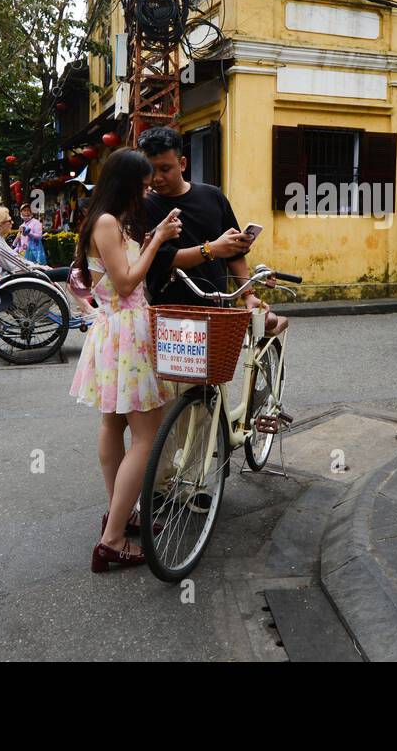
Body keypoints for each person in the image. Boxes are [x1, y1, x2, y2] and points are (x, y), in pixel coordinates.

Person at [68, 149, 183, 571]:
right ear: (126, 183)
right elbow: (127, 280)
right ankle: (113, 539)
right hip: (126, 332)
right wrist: (157, 241)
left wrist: (153, 236)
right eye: (143, 183)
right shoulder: (106, 222)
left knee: (113, 422)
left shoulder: (106, 220)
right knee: (146, 436)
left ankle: (119, 514)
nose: (147, 189)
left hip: (116, 330)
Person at [137, 125, 286, 334]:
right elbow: (161, 259)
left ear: (182, 164)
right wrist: (212, 249)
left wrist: (248, 294)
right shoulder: (144, 206)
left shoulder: (213, 196)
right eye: (150, 170)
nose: (157, 178)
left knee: (217, 366)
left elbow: (235, 251)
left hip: (216, 307)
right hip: (168, 310)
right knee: (168, 367)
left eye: (165, 169)